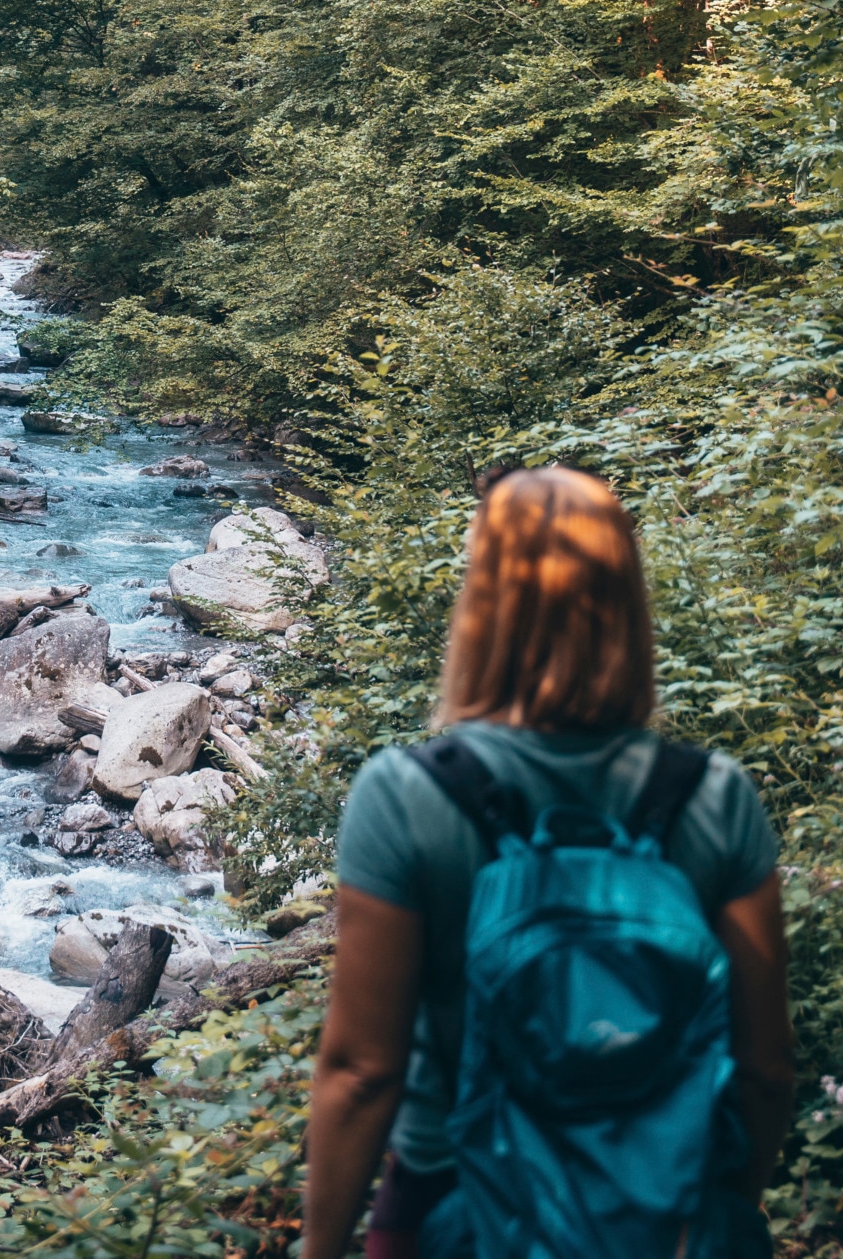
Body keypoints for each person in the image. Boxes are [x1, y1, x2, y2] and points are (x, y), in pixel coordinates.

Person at [303, 466, 796, 1259]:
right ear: (628, 603)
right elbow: (766, 1063)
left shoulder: (404, 794)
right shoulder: (715, 797)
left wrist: (320, 1248)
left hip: (454, 1203)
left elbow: (363, 1069)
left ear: (481, 605)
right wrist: (719, 1199)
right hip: (666, 1210)